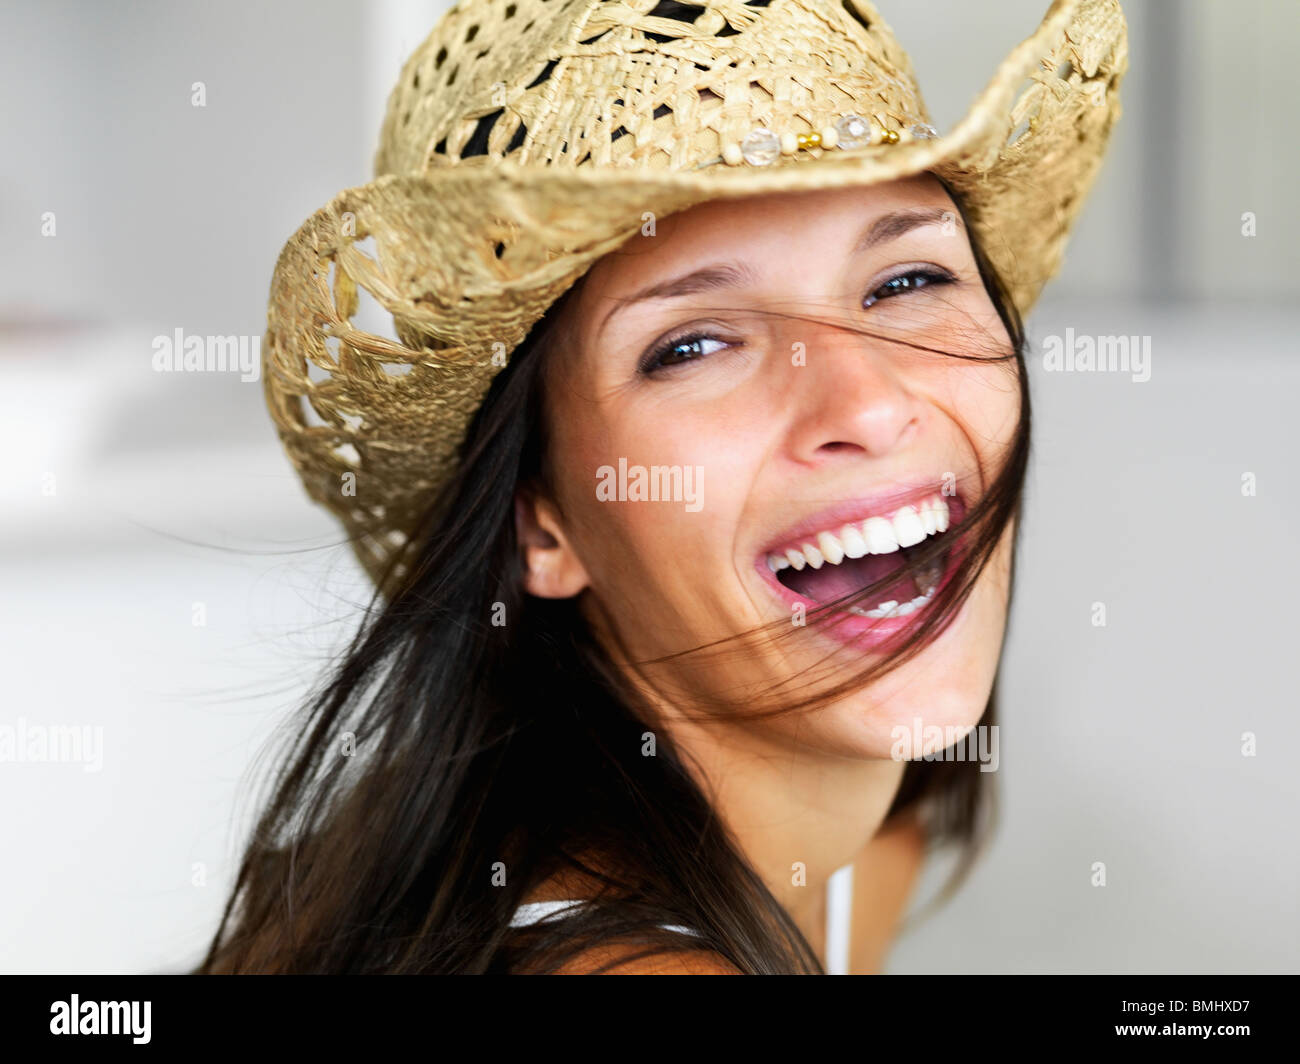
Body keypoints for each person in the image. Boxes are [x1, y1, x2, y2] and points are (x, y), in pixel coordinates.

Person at [198, 0, 1127, 974]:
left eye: (904, 282)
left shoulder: (858, 855)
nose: (868, 403)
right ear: (537, 527)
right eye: (690, 345)